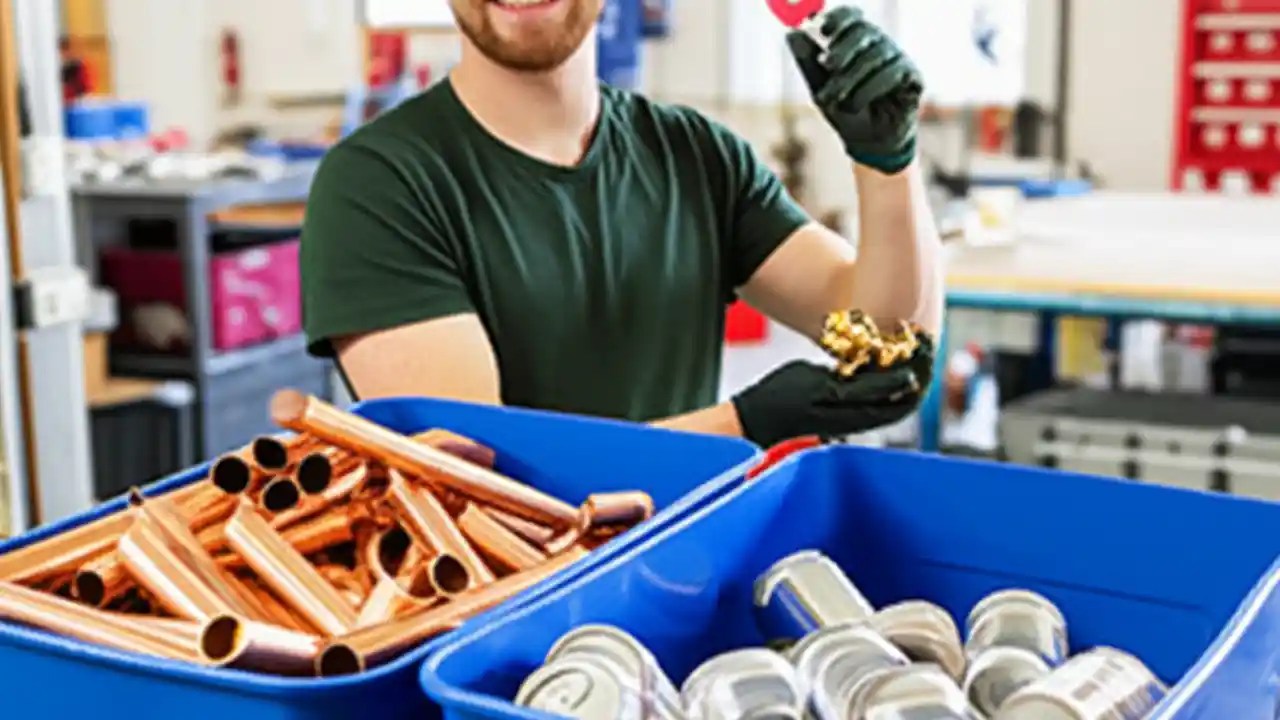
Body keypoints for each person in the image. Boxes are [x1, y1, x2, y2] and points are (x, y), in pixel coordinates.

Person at [301, 0, 943, 448]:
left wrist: (887, 163)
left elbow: (884, 340)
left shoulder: (696, 155)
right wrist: (742, 423)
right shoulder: (377, 185)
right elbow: (476, 479)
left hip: (686, 568)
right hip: (502, 617)